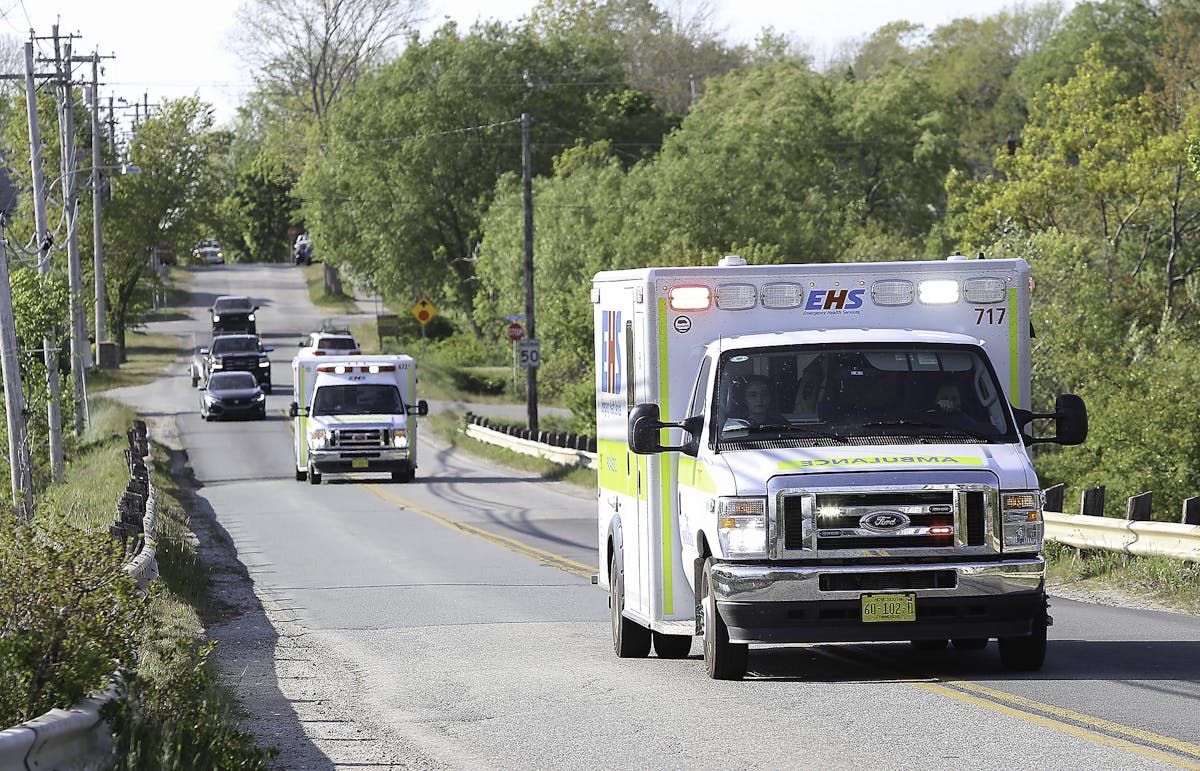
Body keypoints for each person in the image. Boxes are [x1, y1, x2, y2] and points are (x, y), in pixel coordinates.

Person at [725, 375, 789, 430]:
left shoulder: (781, 424)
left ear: (770, 398)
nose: (759, 399)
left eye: (764, 394)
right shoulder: (734, 425)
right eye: (753, 395)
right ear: (744, 399)